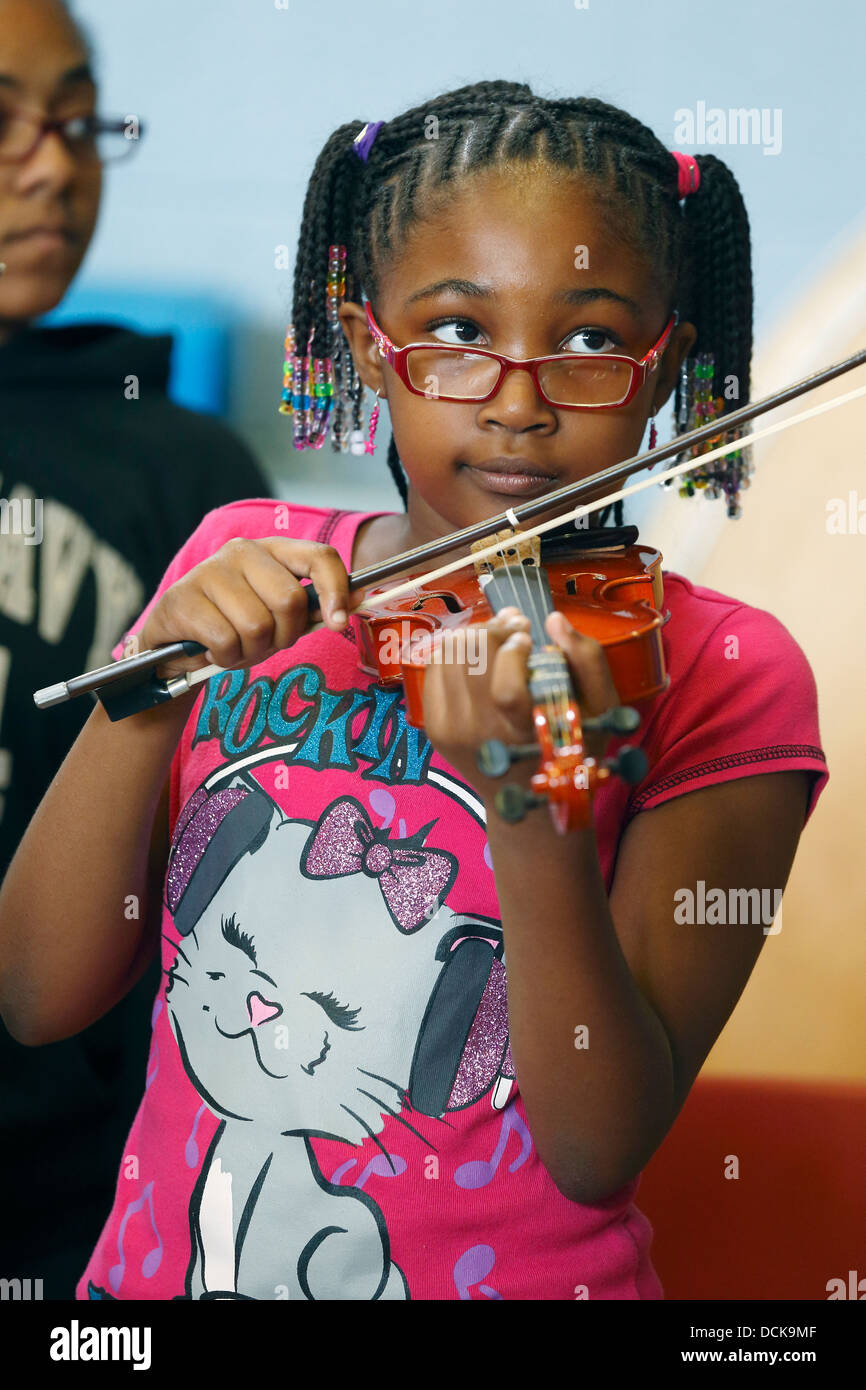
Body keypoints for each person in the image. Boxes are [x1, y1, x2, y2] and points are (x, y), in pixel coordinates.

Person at [0, 81, 828, 1301]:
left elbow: (599, 1148)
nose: (514, 399)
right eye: (453, 332)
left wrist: (528, 804)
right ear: (359, 346)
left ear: (667, 374)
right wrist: (153, 691)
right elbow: (34, 995)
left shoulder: (721, 671)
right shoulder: (239, 559)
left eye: (591, 340)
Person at [0, 0, 269, 1298]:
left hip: (79, 1182)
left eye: (74, 119)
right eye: (0, 118)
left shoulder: (181, 465)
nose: (52, 163)